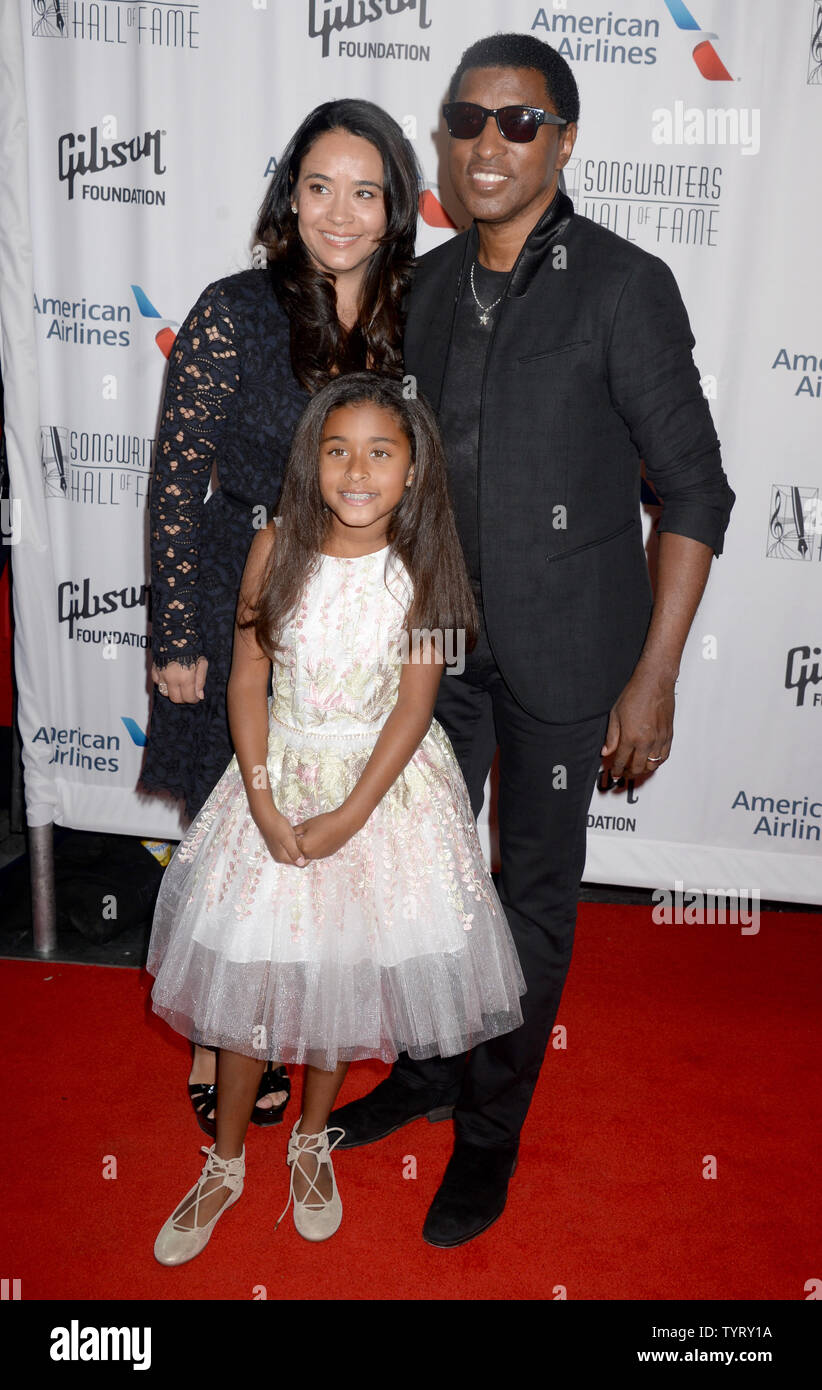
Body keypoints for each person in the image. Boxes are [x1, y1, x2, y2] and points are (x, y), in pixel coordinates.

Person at [330, 33, 736, 1248]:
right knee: (423, 879)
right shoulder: (434, 287)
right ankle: (432, 1068)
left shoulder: (624, 285)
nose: (489, 142)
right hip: (443, 652)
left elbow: (697, 493)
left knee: (532, 899)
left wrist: (654, 676)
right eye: (468, 120)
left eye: (520, 121)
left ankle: (492, 1133)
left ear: (564, 137)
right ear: (444, 139)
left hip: (572, 659)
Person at [145, 373, 526, 1264]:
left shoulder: (429, 566)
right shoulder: (273, 548)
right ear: (312, 458)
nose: (358, 471)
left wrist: (351, 816)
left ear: (412, 466)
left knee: (338, 981)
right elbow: (248, 678)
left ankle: (313, 1139)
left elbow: (414, 707)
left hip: (381, 802)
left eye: (380, 453)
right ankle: (226, 1161)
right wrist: (266, 794)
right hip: (275, 781)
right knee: (251, 987)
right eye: (338, 450)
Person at [139, 99, 421, 1134]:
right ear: (287, 196)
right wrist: (177, 635)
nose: (338, 212)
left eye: (364, 190)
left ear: (394, 207)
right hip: (239, 593)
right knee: (238, 841)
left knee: (324, 835)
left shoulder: (412, 314)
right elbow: (176, 480)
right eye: (317, 186)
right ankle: (223, 1040)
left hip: (357, 609)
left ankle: (291, 1025)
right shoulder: (232, 310)